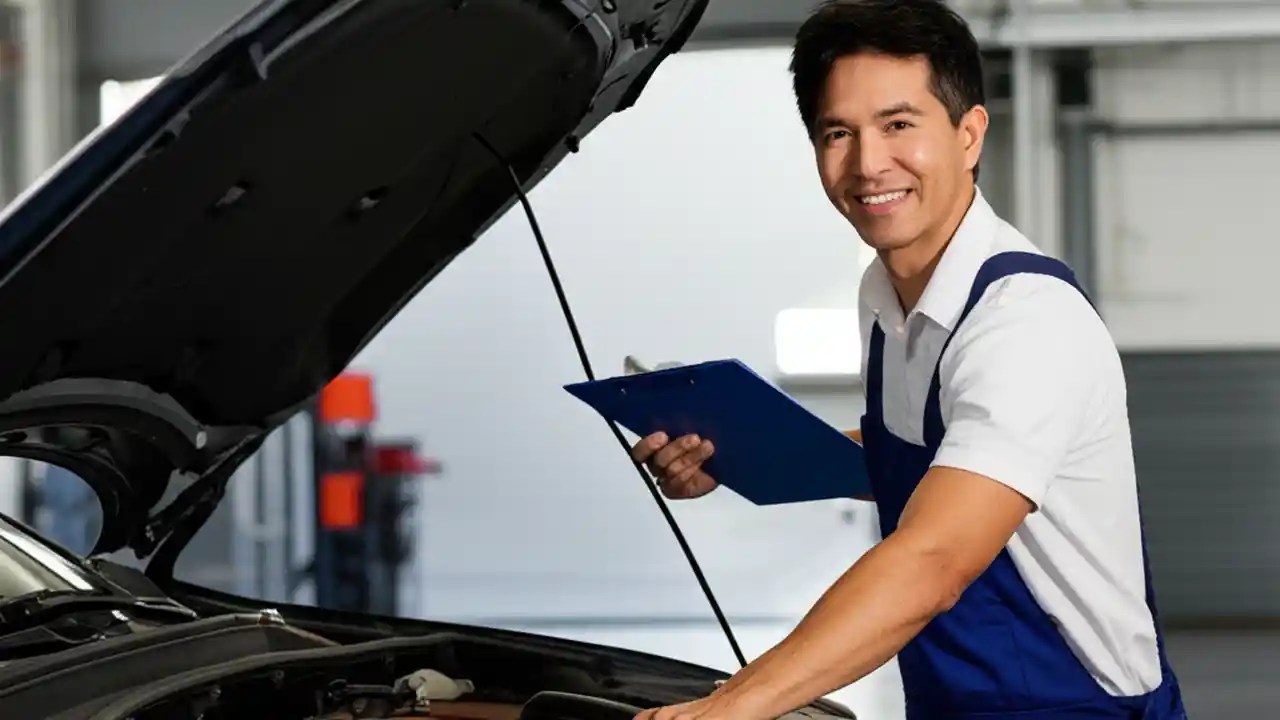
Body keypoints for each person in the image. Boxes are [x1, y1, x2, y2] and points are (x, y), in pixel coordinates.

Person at [630, 2, 1187, 719]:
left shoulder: (1023, 321)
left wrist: (733, 705)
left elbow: (934, 560)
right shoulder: (886, 296)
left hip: (1075, 708)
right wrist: (732, 453)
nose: (867, 164)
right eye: (839, 133)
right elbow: (913, 462)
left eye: (898, 125)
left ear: (968, 134)